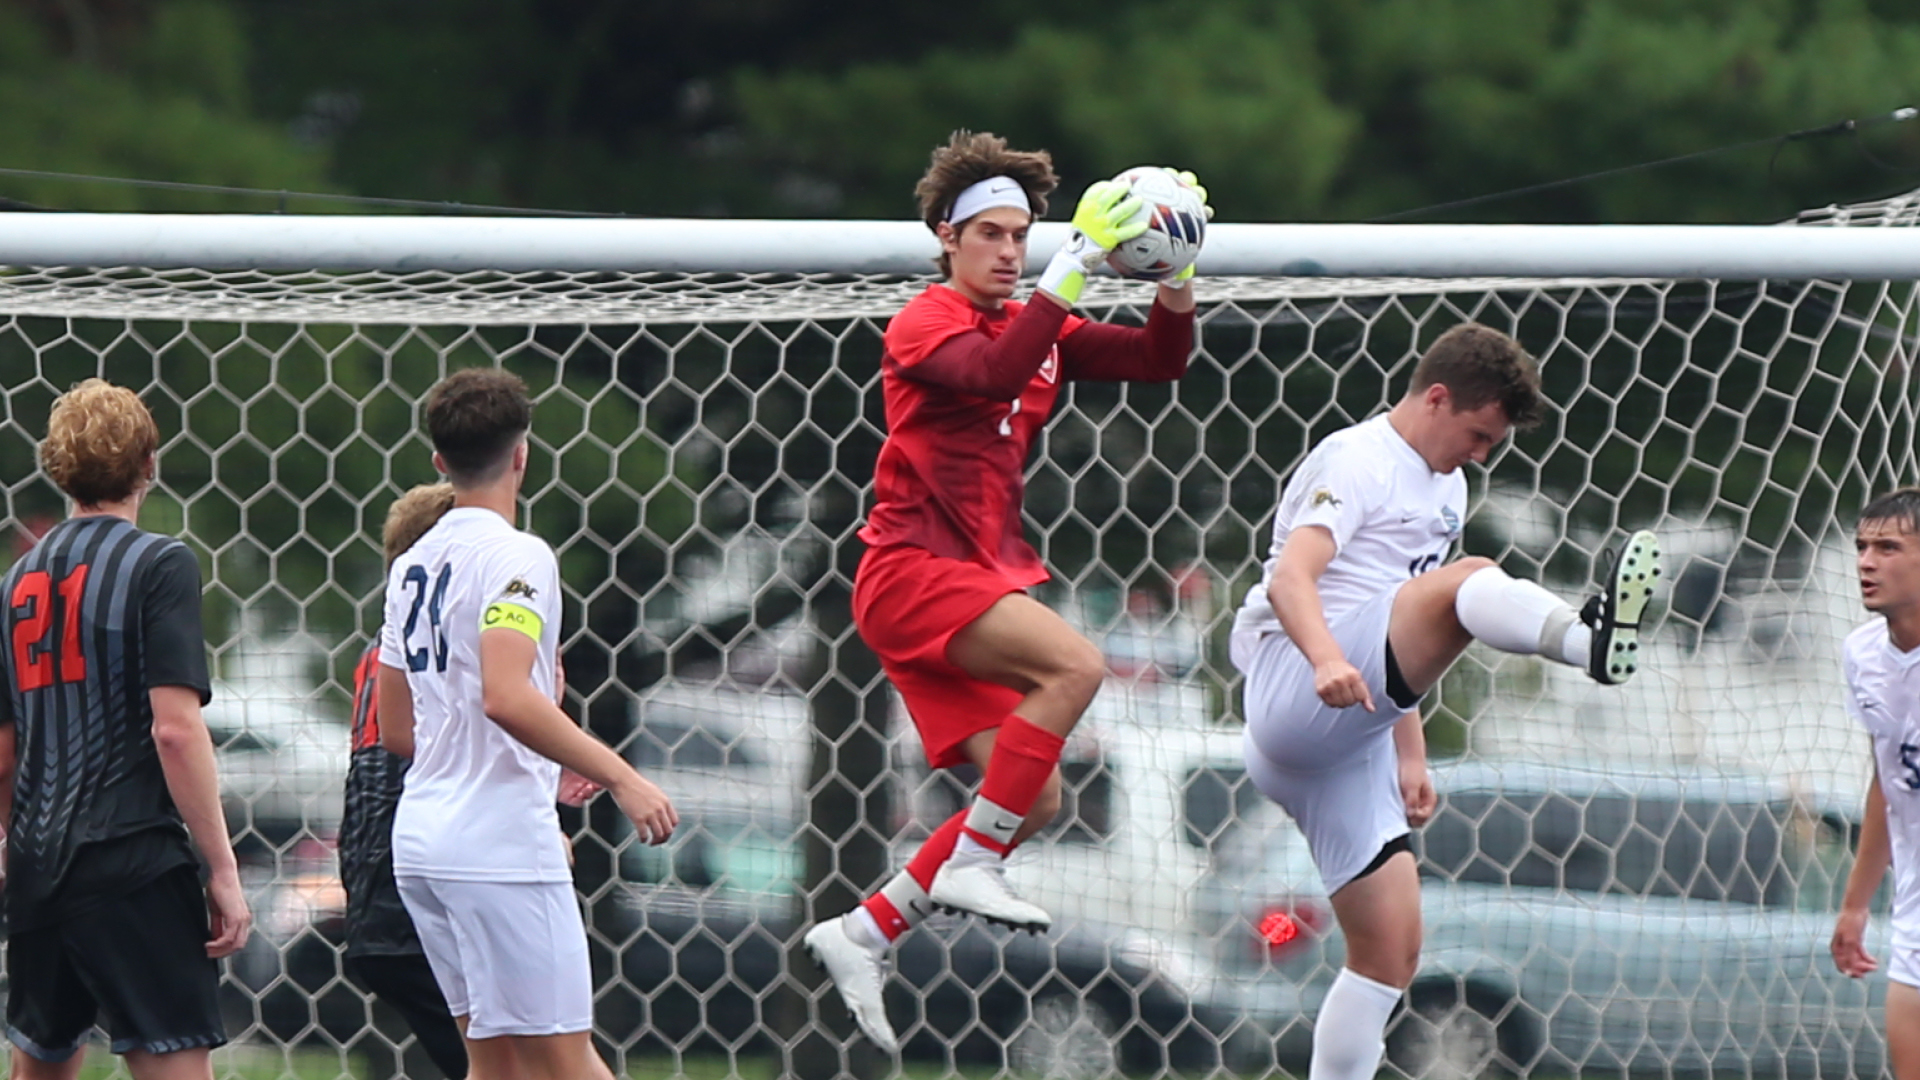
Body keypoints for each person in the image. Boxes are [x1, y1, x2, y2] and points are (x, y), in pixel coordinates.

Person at [802, 129, 1210, 1053]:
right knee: (1076, 663)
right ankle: (974, 861)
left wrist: (1174, 272)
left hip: (967, 578)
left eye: (1021, 235)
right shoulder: (925, 321)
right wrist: (1071, 266)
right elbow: (990, 371)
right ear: (947, 238)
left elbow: (1160, 360)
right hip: (910, 573)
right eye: (989, 233)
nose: (1009, 251)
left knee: (1037, 801)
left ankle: (868, 928)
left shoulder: (1042, 324)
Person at [1231, 323, 1662, 1080]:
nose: (1482, 454)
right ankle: (1583, 641)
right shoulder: (1356, 458)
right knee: (1467, 581)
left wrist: (1410, 754)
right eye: (1477, 433)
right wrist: (1326, 658)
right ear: (1436, 398)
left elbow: (1401, 632)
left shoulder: (1449, 487)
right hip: (1295, 689)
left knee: (1389, 953)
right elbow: (1290, 579)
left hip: (1351, 739)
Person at [376, 367, 678, 1080]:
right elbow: (507, 696)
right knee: (569, 1061)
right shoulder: (518, 556)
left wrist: (537, 756)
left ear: (439, 462)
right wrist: (622, 776)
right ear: (522, 454)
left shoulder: (412, 562)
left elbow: (398, 726)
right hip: (496, 845)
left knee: (496, 1063)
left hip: (423, 844)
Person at [0, 378, 252, 1079]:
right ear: (149, 463)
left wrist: (11, 841)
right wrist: (224, 871)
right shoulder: (159, 564)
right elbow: (175, 731)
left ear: (58, 465)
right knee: (170, 1061)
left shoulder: (15, 583)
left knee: (40, 1065)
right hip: (132, 862)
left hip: (37, 867)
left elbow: (4, 752)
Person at [344, 481, 618, 1080]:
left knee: (496, 1066)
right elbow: (493, 713)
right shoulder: (498, 618)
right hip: (472, 863)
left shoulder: (398, 647)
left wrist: (542, 780)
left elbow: (417, 740)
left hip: (391, 881)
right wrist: (609, 779)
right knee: (563, 1061)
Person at [1830, 487, 1920, 1080]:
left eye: (1888, 547)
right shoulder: (1862, 654)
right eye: (1862, 546)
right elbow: (1887, 782)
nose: (1866, 561)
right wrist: (1856, 905)